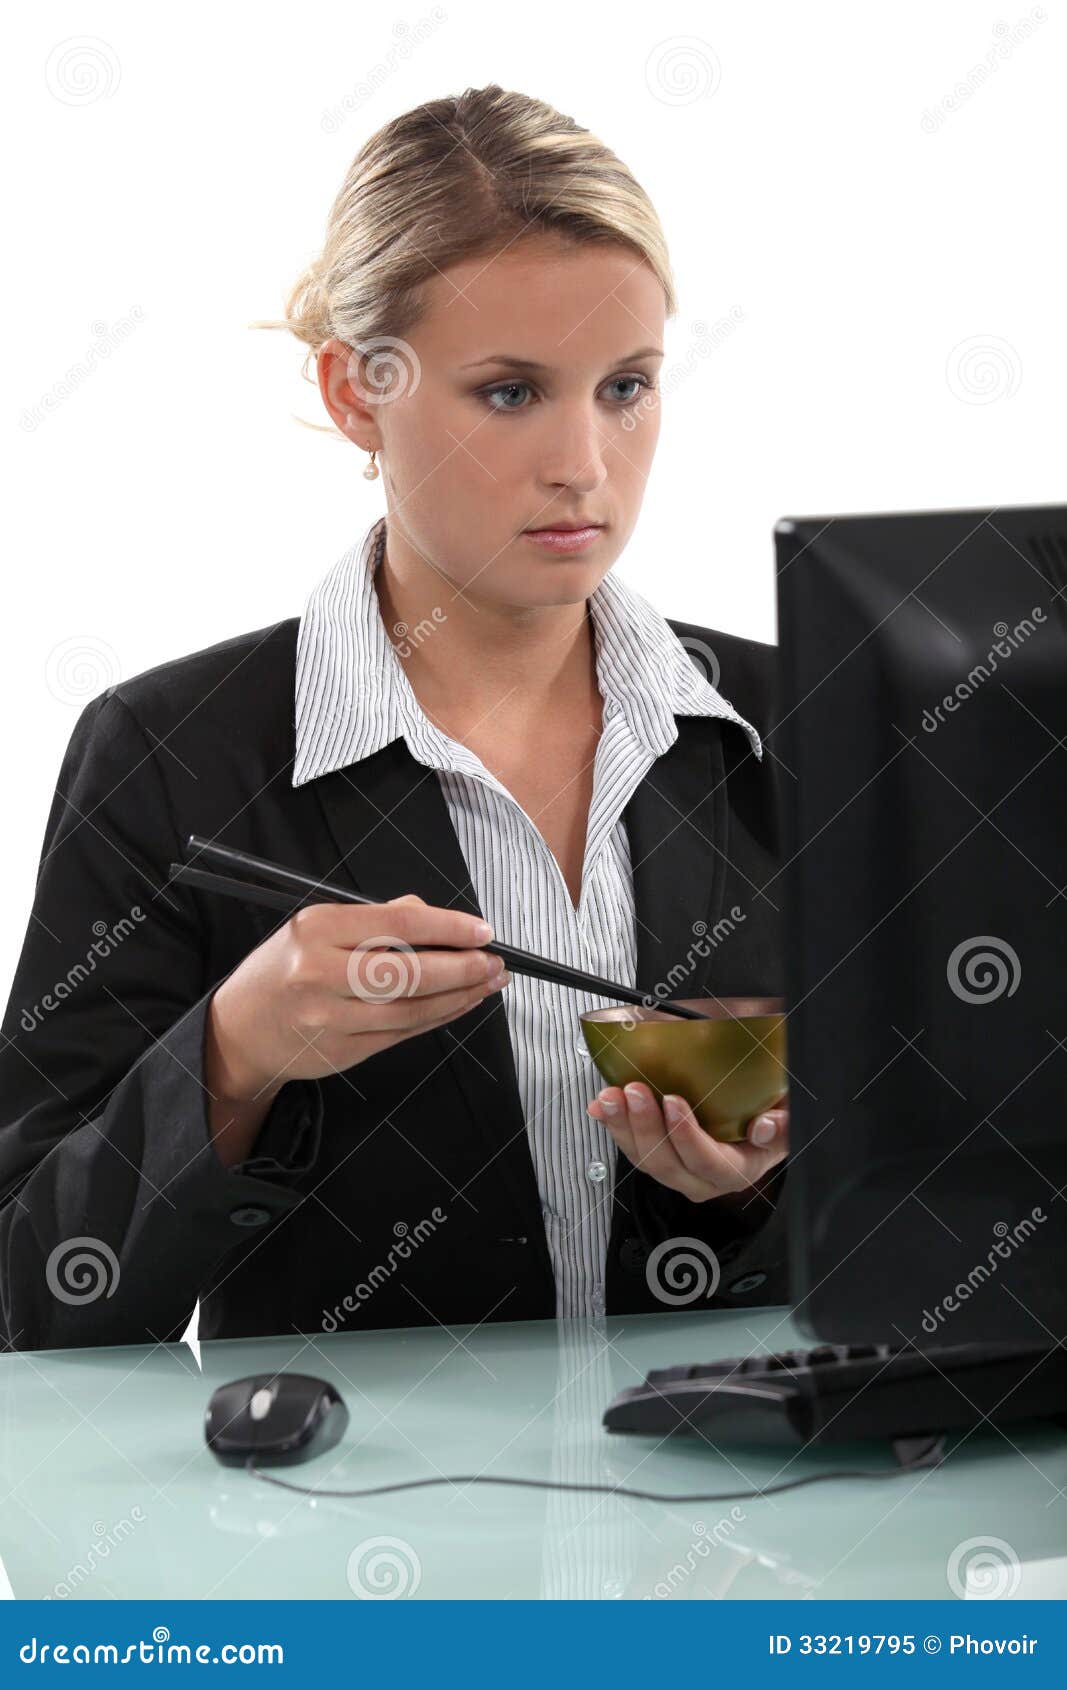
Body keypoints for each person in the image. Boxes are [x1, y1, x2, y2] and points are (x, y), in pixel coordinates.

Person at [0, 83, 788, 1352]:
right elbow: (31, 1293)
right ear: (357, 391)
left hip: (748, 1537)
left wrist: (755, 1190)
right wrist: (234, 1057)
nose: (583, 461)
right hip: (364, 1532)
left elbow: (971, 1228)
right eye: (510, 393)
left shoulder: (796, 725)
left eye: (626, 385)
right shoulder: (167, 755)